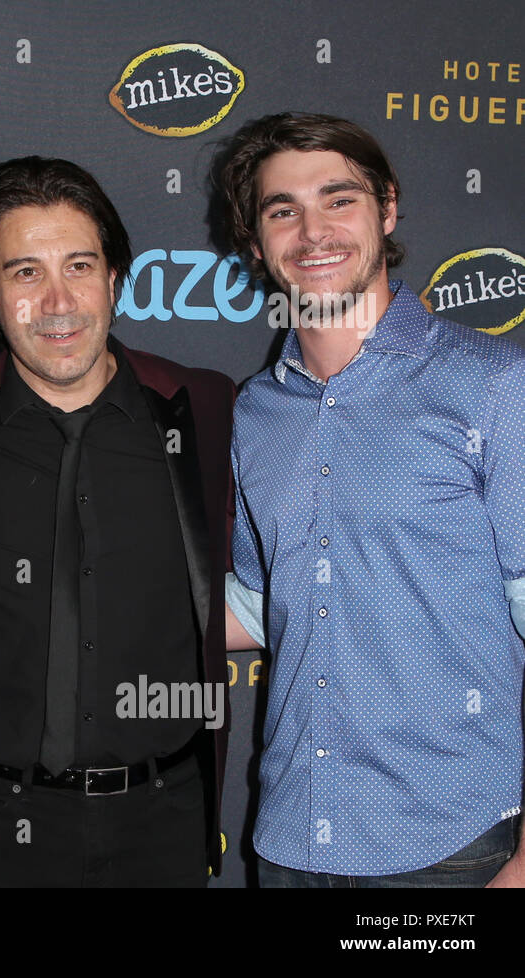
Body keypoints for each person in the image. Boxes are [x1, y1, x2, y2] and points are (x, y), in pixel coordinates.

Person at [0, 157, 236, 887]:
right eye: (25, 273)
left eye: (80, 265)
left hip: (167, 825)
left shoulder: (206, 408)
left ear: (115, 279)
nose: (59, 301)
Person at [220, 112, 525, 887]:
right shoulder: (256, 412)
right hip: (290, 840)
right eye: (282, 210)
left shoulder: (493, 386)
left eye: (339, 199)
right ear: (256, 242)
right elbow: (257, 606)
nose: (312, 232)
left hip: (455, 845)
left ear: (386, 209)